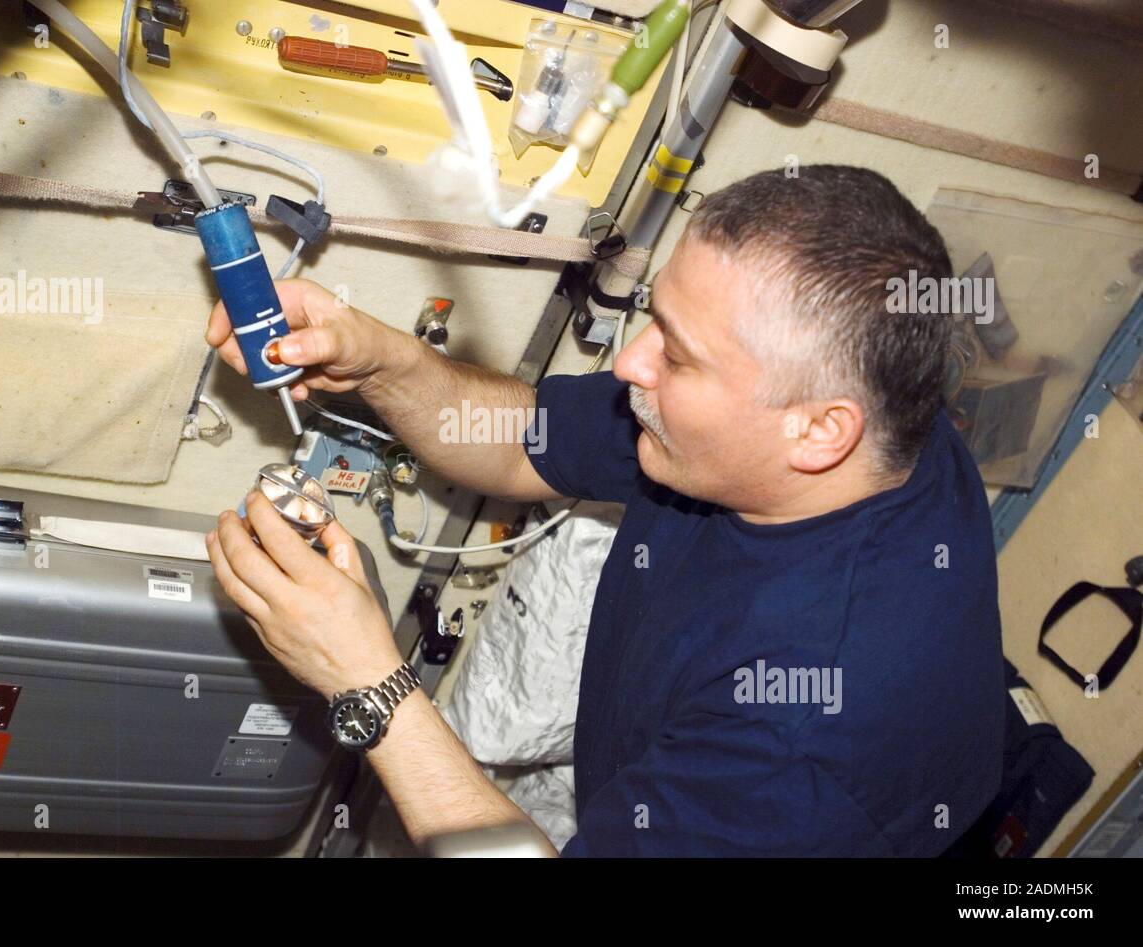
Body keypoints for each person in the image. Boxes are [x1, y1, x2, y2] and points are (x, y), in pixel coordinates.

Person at [204, 165, 1005, 856]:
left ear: (820, 431)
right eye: (656, 317)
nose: (630, 361)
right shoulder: (853, 419)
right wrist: (381, 361)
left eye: (678, 354)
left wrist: (368, 683)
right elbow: (524, 442)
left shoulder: (812, 750)